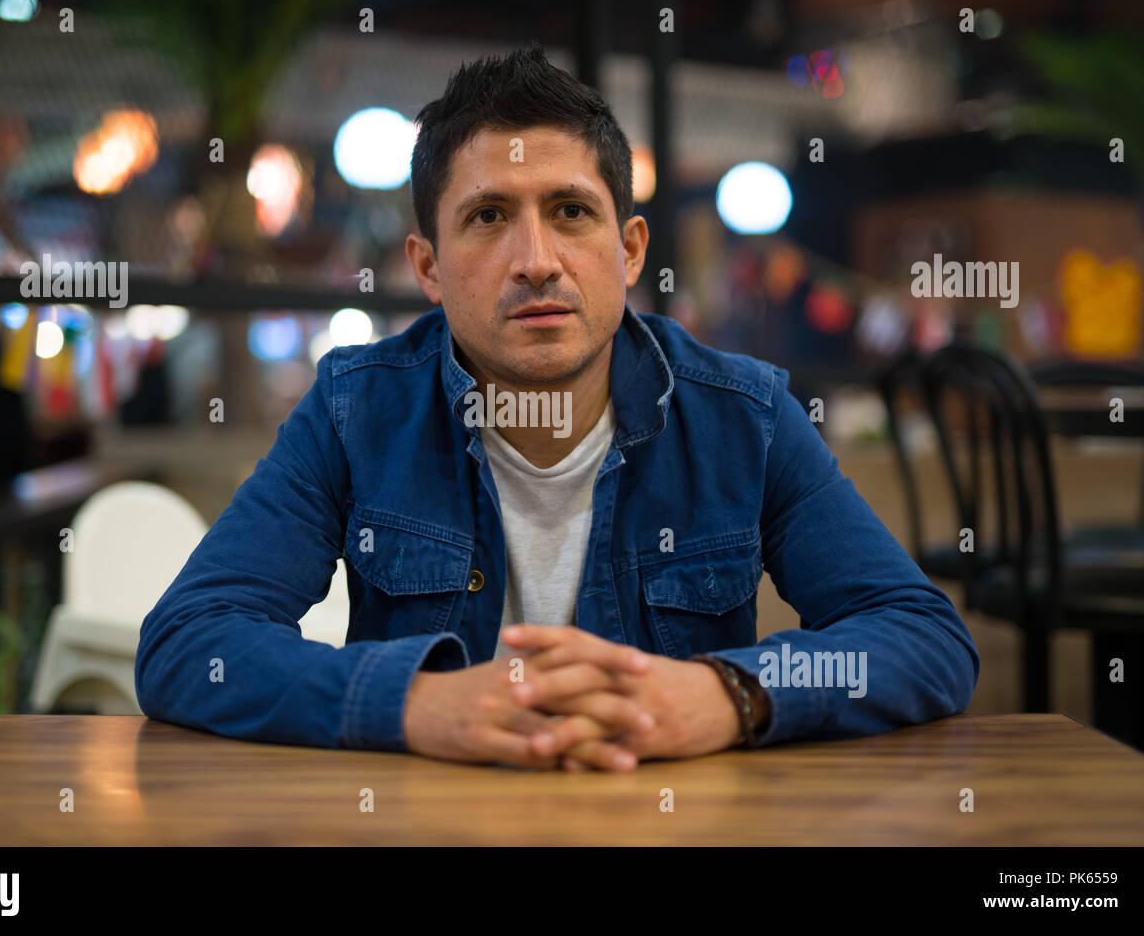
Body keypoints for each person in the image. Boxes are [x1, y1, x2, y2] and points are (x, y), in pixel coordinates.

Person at [136, 44, 978, 771]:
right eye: (489, 217)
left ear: (630, 248)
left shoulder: (742, 415)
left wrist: (730, 694)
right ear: (427, 267)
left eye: (571, 212)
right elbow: (191, 640)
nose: (536, 260)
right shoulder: (358, 410)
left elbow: (920, 637)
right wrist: (417, 707)